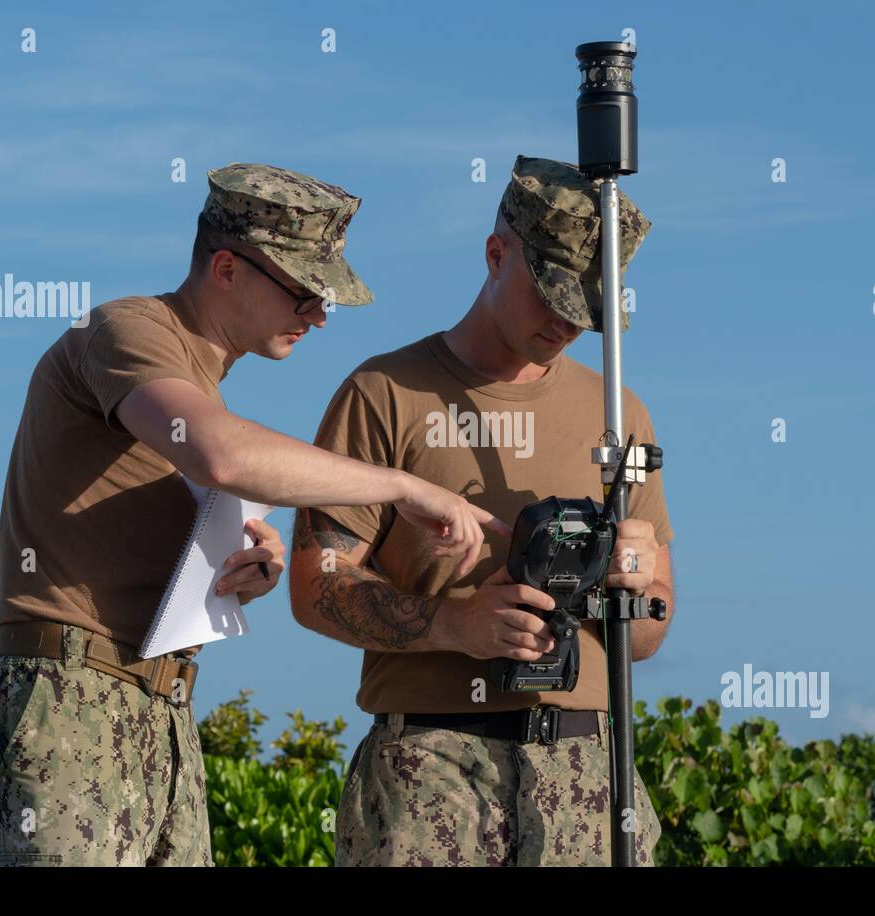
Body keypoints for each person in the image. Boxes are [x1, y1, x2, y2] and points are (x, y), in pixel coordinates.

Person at [0, 163, 501, 866]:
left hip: (157, 712)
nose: (318, 314)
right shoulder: (126, 331)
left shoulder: (191, 385)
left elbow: (209, 471)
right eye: (304, 290)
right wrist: (399, 484)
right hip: (67, 702)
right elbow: (216, 453)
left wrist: (242, 561)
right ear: (226, 268)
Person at [289, 155, 675, 866]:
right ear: (496, 254)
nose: (568, 322)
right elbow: (316, 588)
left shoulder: (619, 413)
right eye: (552, 294)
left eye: (588, 306)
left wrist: (619, 588)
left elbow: (651, 633)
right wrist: (455, 625)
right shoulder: (385, 394)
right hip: (428, 772)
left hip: (587, 775)